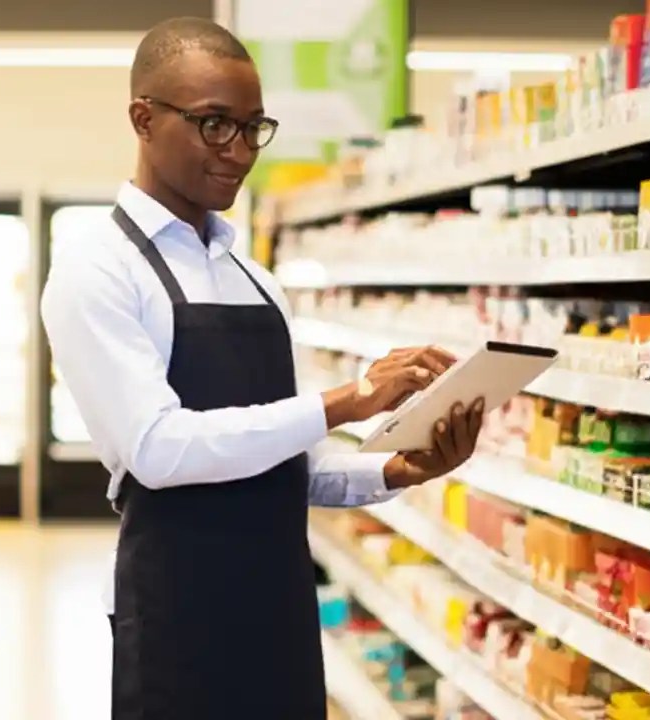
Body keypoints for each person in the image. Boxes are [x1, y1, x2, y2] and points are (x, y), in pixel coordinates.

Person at [40, 17, 484, 720]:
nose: (240, 151)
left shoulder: (253, 278)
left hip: (277, 603)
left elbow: (288, 465)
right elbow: (158, 449)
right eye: (215, 125)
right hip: (176, 610)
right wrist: (349, 399)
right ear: (143, 118)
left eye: (254, 128)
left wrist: (404, 469)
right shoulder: (98, 270)